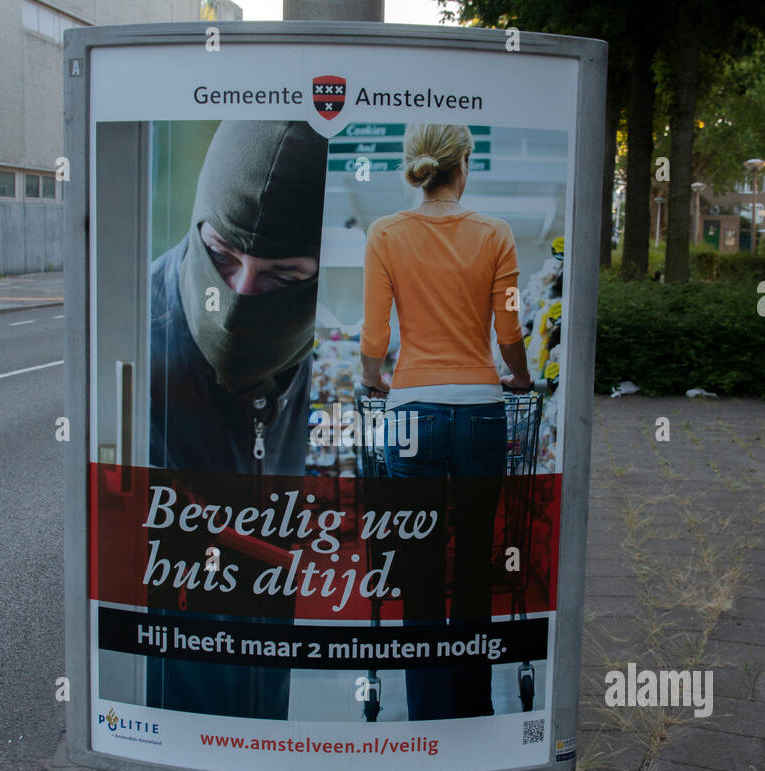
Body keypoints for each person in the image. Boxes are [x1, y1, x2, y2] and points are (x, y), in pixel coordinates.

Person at [141, 120, 328, 719]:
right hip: (170, 708)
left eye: (283, 277)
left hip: (281, 692)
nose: (241, 296)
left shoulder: (340, 343)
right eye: (222, 257)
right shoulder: (127, 335)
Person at [360, 123, 533, 722]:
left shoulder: (386, 234)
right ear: (465, 165)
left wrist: (376, 380)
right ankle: (473, 707)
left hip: (412, 416)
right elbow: (509, 329)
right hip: (482, 412)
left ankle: (429, 715)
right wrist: (521, 376)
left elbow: (375, 338)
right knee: (476, 564)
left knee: (420, 567)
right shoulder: (496, 235)